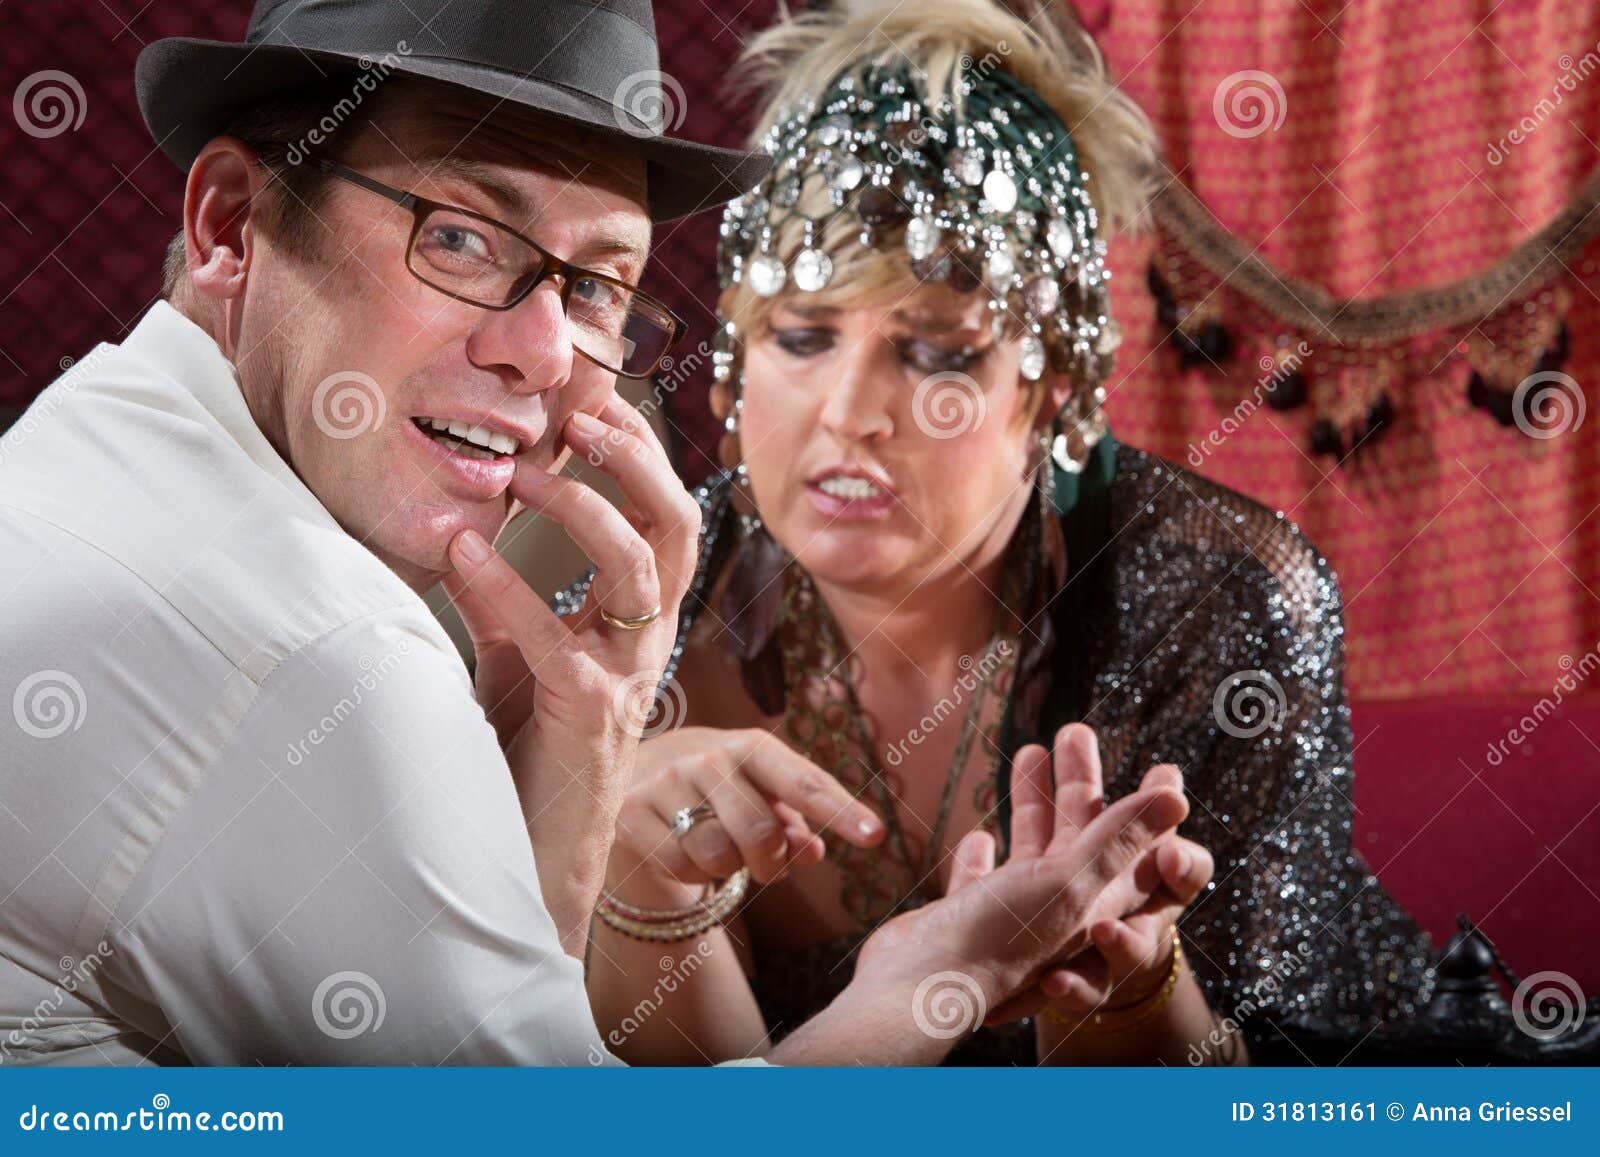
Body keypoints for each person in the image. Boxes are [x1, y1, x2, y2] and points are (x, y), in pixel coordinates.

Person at [0, 0, 1195, 1067]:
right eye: (460, 236)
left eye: (596, 287)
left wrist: (578, 739)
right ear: (228, 224)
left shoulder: (91, 436)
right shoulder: (327, 655)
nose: (544, 354)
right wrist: (936, 984)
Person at [582, 0, 1435, 1065]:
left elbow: (1254, 1095)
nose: (850, 412)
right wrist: (641, 876)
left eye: (937, 353)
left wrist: (1124, 990)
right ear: (737, 359)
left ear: (1059, 390)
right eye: (801, 336)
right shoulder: (646, 606)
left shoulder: (1214, 596)